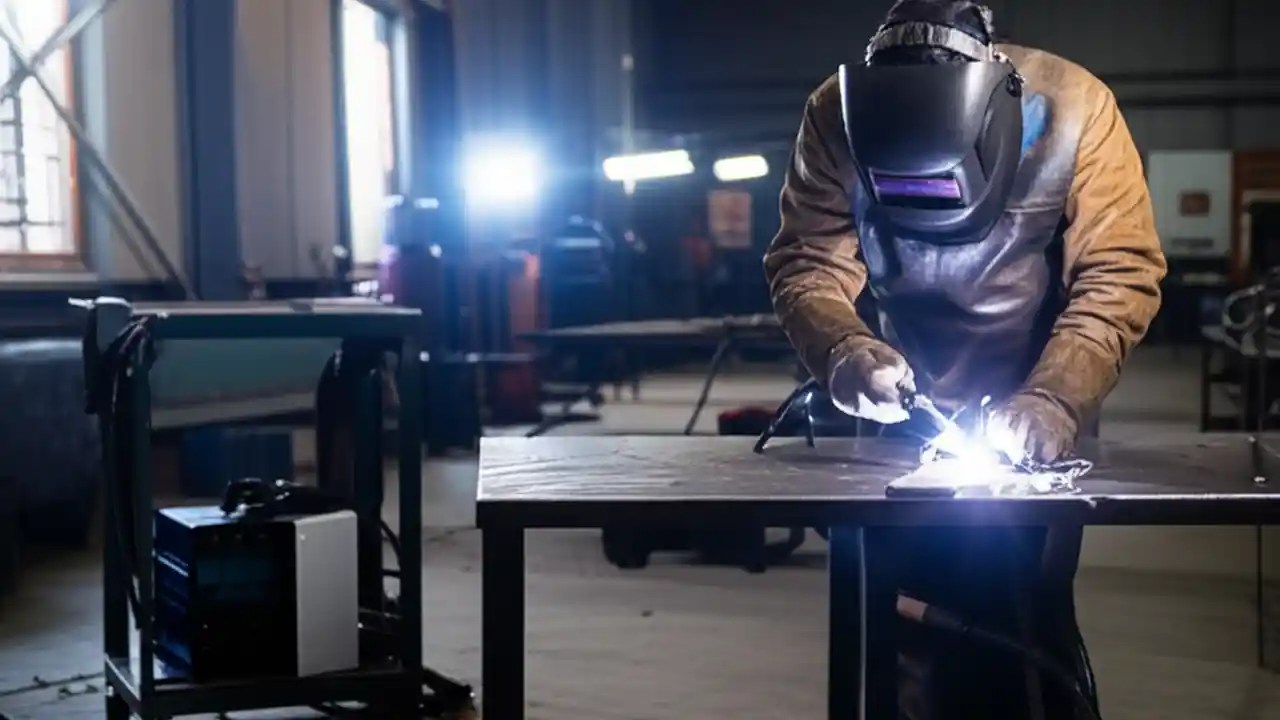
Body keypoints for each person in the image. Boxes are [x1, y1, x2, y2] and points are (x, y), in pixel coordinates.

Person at [763, 1, 1166, 718]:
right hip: (894, 411)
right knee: (898, 632)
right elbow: (806, 263)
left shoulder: (1076, 107)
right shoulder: (835, 112)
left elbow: (1119, 272)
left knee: (1021, 621)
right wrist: (845, 350)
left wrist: (1055, 398)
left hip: (1036, 418)